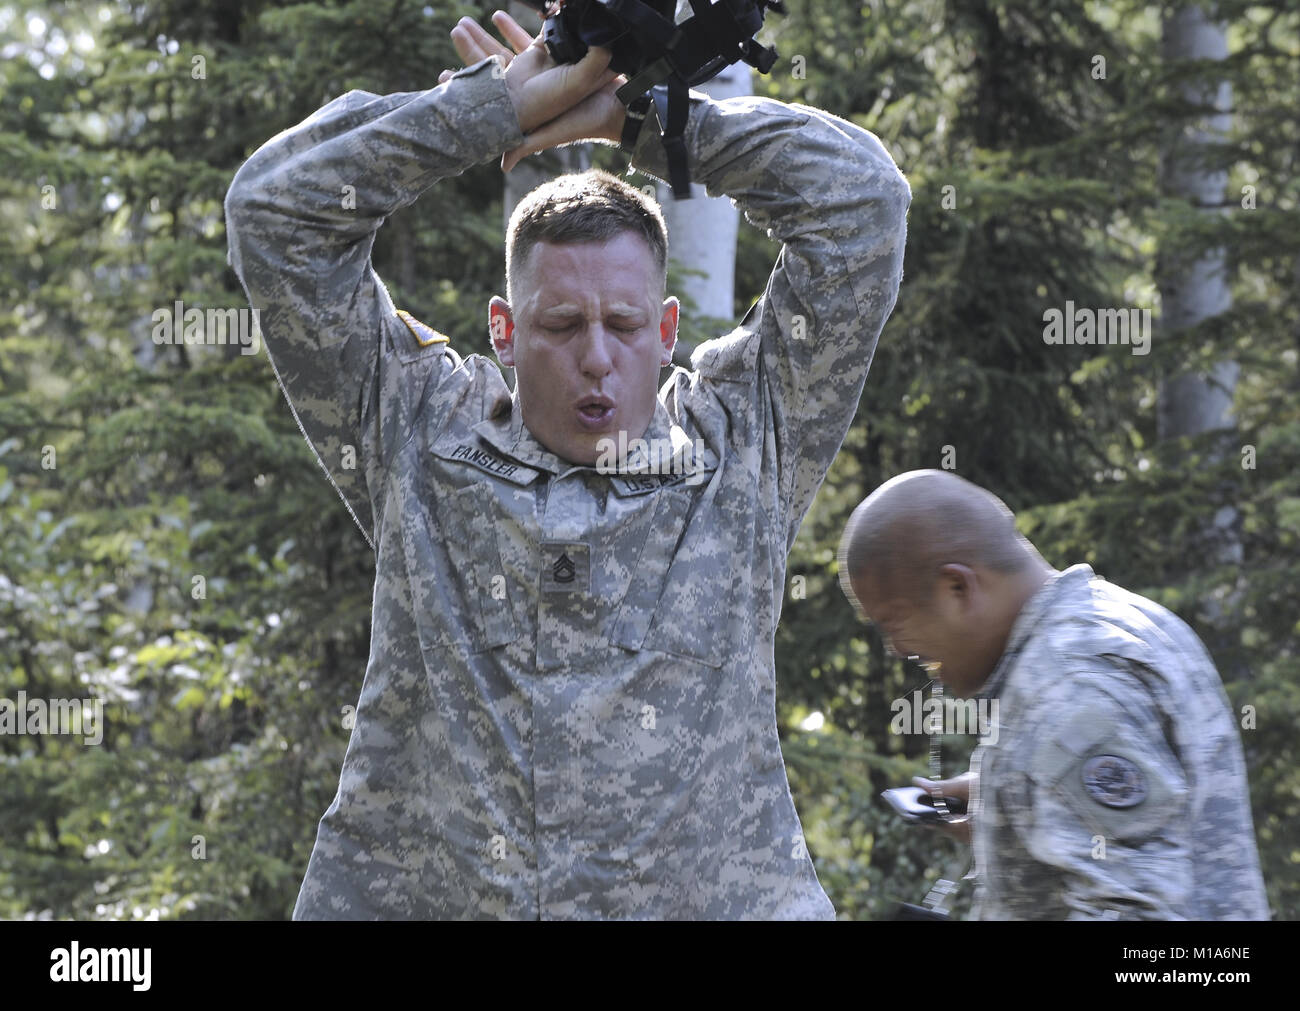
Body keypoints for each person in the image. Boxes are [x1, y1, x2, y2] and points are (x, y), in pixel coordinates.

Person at [224, 11, 910, 919]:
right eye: (558, 326)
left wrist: (645, 122)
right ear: (504, 333)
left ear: (666, 330)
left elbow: (864, 204)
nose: (596, 358)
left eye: (624, 326)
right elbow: (273, 213)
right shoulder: (418, 432)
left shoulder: (741, 447)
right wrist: (485, 112)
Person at [837, 469, 1271, 919]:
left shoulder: (1067, 685)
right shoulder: (1124, 620)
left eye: (894, 621)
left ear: (957, 587)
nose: (897, 649)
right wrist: (1008, 803)